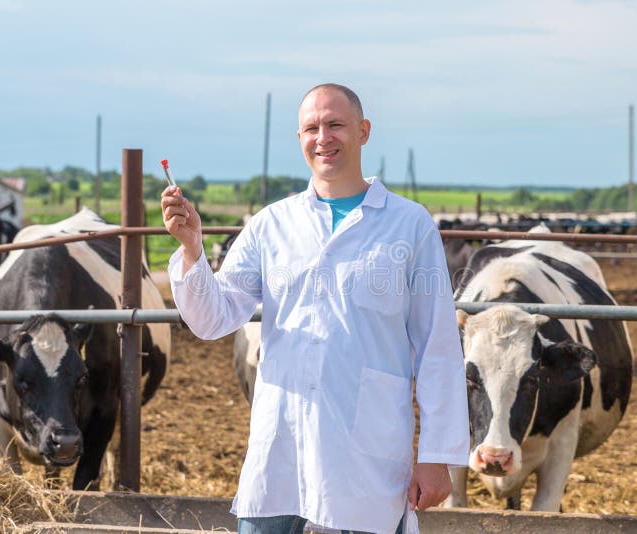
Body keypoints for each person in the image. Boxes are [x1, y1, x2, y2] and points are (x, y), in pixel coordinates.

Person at [162, 83, 469, 534]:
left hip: (366, 459)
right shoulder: (271, 225)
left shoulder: (409, 225)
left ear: (363, 131)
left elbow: (437, 347)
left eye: (335, 125)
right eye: (311, 128)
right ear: (299, 138)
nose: (322, 138)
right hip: (279, 456)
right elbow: (213, 318)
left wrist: (437, 456)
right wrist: (192, 250)